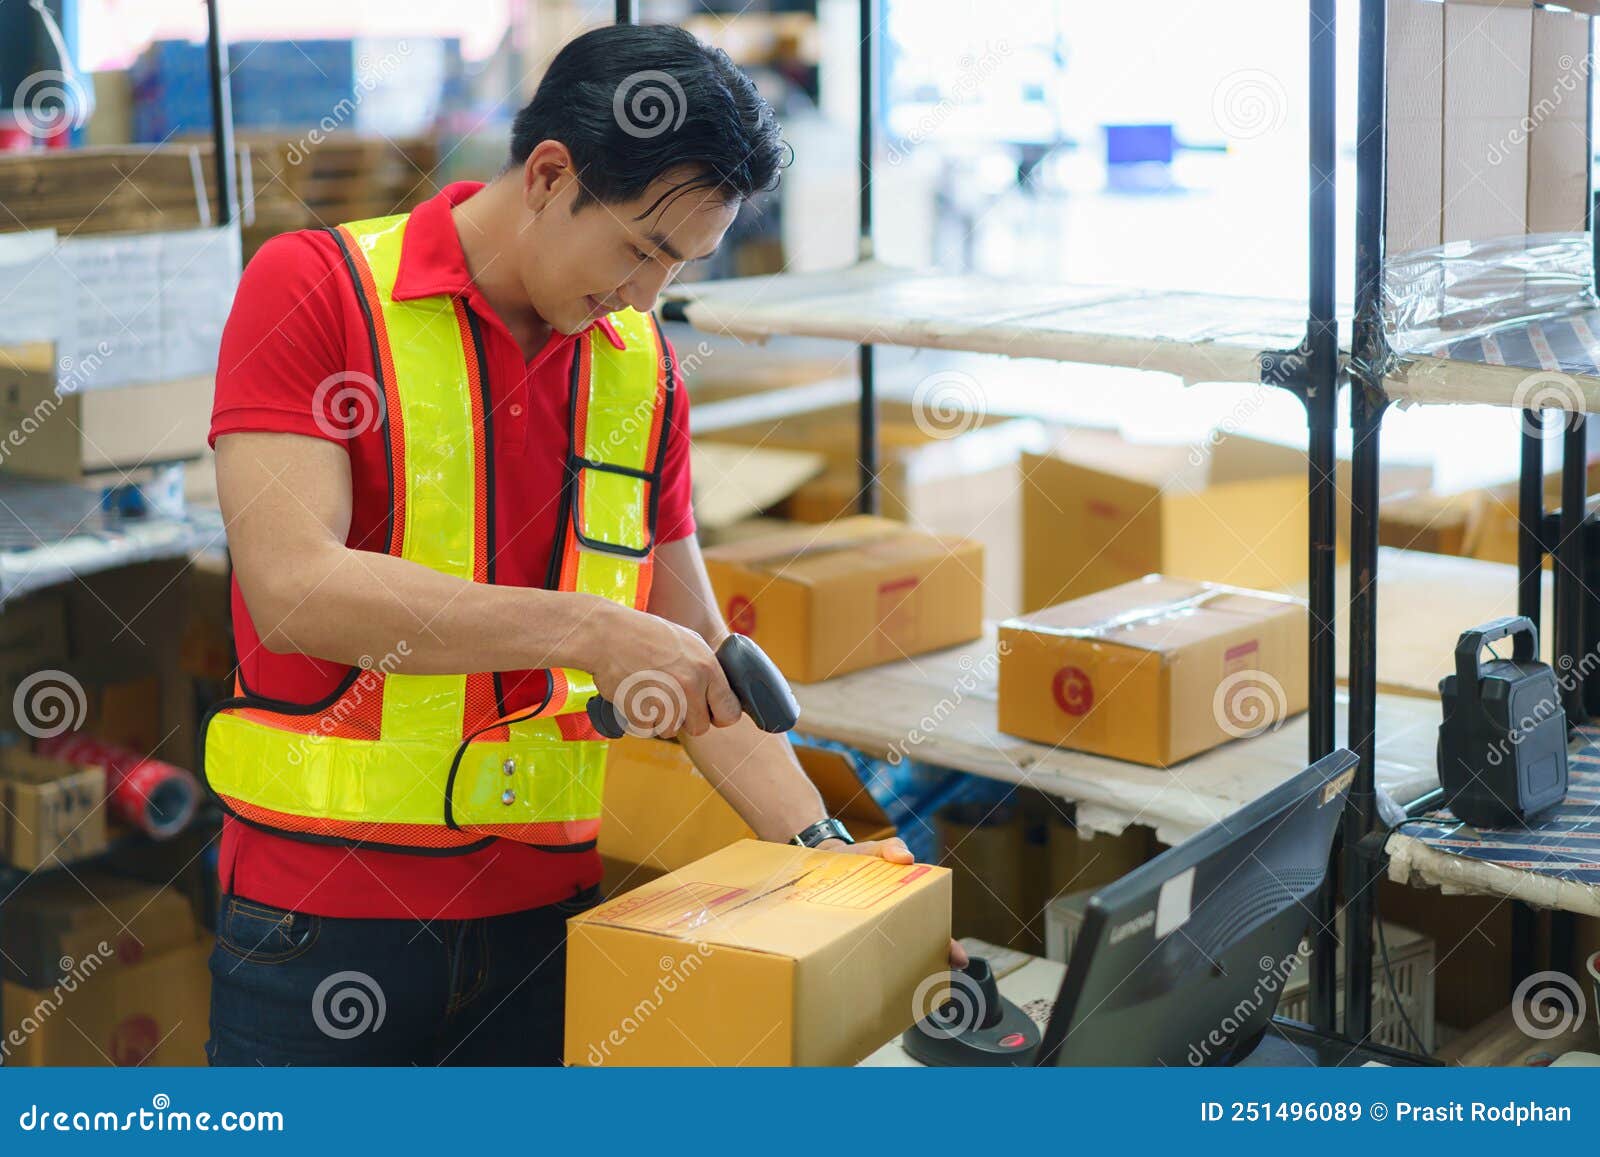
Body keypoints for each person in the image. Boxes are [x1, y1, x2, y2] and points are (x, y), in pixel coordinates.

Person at [204, 22, 959, 1068]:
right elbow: (294, 586)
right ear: (551, 175)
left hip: (549, 929)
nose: (648, 295)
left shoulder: (637, 369)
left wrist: (832, 863)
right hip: (321, 925)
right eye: (642, 248)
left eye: (682, 261)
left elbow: (694, 654)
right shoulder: (316, 289)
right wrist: (592, 629)